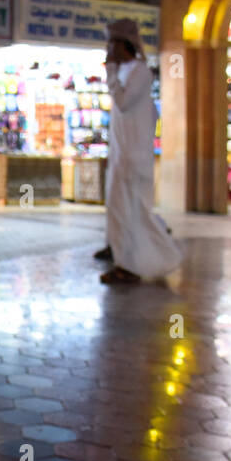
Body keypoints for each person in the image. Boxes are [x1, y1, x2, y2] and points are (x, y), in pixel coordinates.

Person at [95, 19, 183, 284]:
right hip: (122, 156)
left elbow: (122, 102)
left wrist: (110, 70)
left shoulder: (141, 72)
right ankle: (119, 252)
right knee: (119, 208)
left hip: (133, 158)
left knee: (135, 213)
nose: (110, 50)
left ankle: (138, 263)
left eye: (113, 44)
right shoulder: (126, 71)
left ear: (125, 45)